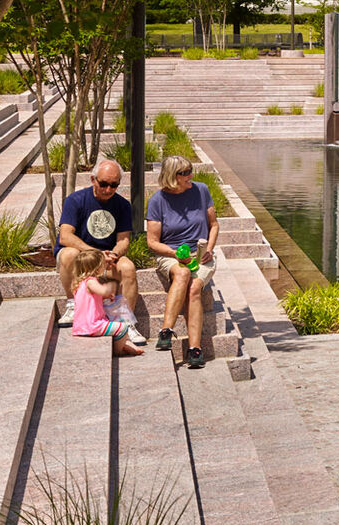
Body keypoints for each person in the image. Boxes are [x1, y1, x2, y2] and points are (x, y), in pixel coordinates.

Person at [54, 159, 142, 342]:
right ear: (93, 179)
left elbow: (123, 239)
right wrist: (95, 254)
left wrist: (114, 254)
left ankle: (126, 323)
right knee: (68, 253)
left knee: (128, 267)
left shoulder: (123, 206)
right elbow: (65, 236)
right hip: (82, 258)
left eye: (114, 185)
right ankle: (73, 304)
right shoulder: (75, 200)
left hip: (107, 258)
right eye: (103, 184)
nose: (108, 189)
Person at [146, 154, 220, 369]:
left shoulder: (201, 190)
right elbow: (152, 242)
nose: (190, 176)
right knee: (183, 273)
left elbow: (214, 224)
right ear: (172, 176)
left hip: (201, 255)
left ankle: (195, 349)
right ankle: (166, 330)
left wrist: (210, 249)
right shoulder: (158, 201)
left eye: (190, 171)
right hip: (171, 254)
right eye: (185, 173)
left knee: (195, 286)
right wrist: (175, 254)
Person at [67, 249, 142, 357]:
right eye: (102, 264)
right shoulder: (91, 281)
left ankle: (126, 344)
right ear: (96, 268)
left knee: (114, 321)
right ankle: (119, 350)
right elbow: (103, 291)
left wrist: (104, 297)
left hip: (80, 326)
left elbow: (89, 299)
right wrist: (113, 285)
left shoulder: (78, 283)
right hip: (92, 326)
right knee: (122, 328)